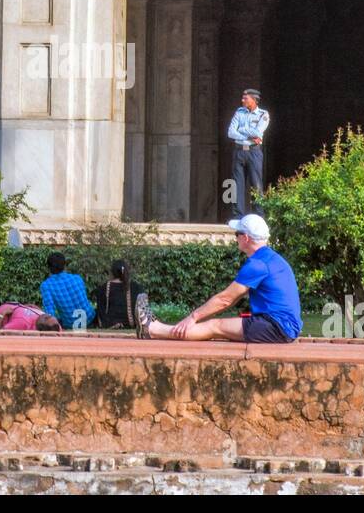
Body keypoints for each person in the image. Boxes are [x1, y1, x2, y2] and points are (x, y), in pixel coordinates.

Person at [135, 213, 302, 343]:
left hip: (278, 328)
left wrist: (192, 317)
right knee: (219, 326)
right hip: (282, 326)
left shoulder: (258, 264)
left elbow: (225, 300)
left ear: (246, 238)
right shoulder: (272, 258)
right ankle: (155, 329)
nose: (235, 237)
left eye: (237, 233)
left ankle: (153, 330)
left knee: (215, 326)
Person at [226, 88, 270, 217]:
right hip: (239, 151)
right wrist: (248, 135)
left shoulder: (263, 114)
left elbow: (258, 132)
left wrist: (241, 129)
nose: (242, 100)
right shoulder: (239, 112)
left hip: (253, 152)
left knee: (256, 184)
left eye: (245, 98)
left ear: (254, 100)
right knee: (236, 184)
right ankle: (237, 215)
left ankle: (258, 215)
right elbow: (230, 132)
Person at [40, 252, 96, 329]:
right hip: (90, 318)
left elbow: (50, 312)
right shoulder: (77, 278)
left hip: (71, 324)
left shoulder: (46, 285)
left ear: (49, 267)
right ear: (64, 265)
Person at [91, 259, 146, 329]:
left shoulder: (103, 288)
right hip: (131, 325)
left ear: (113, 272)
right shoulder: (136, 287)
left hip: (109, 324)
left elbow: (101, 311)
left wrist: (103, 324)